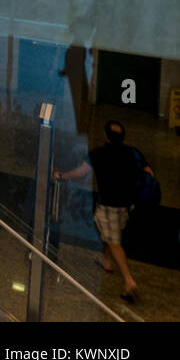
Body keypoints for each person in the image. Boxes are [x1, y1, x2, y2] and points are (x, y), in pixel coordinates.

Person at [56, 120, 155, 303]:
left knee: (112, 240)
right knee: (111, 233)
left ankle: (128, 281)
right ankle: (106, 260)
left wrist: (62, 175)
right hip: (127, 205)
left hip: (109, 205)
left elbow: (80, 173)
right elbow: (149, 172)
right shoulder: (132, 152)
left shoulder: (99, 154)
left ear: (106, 136)